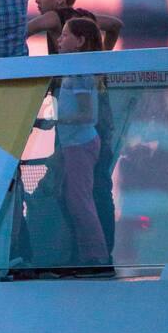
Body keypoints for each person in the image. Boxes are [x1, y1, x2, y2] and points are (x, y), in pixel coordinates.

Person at [36, 17, 110, 273]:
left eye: (65, 35)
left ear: (79, 41)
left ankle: (97, 259)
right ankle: (82, 254)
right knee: (70, 198)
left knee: (80, 201)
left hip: (80, 145)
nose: (58, 39)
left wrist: (53, 119)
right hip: (73, 144)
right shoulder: (75, 69)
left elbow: (87, 115)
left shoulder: (79, 72)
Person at [26, 0, 123, 52]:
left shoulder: (54, 17)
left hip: (63, 72)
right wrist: (103, 54)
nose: (37, 0)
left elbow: (22, 31)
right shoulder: (85, 16)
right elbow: (115, 24)